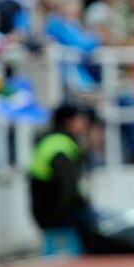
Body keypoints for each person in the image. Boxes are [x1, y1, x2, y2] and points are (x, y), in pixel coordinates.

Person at [28, 102, 97, 249]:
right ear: (69, 121)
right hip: (53, 211)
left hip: (46, 208)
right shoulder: (60, 146)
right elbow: (67, 186)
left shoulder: (52, 140)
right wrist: (82, 205)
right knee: (95, 221)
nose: (83, 123)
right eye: (80, 119)